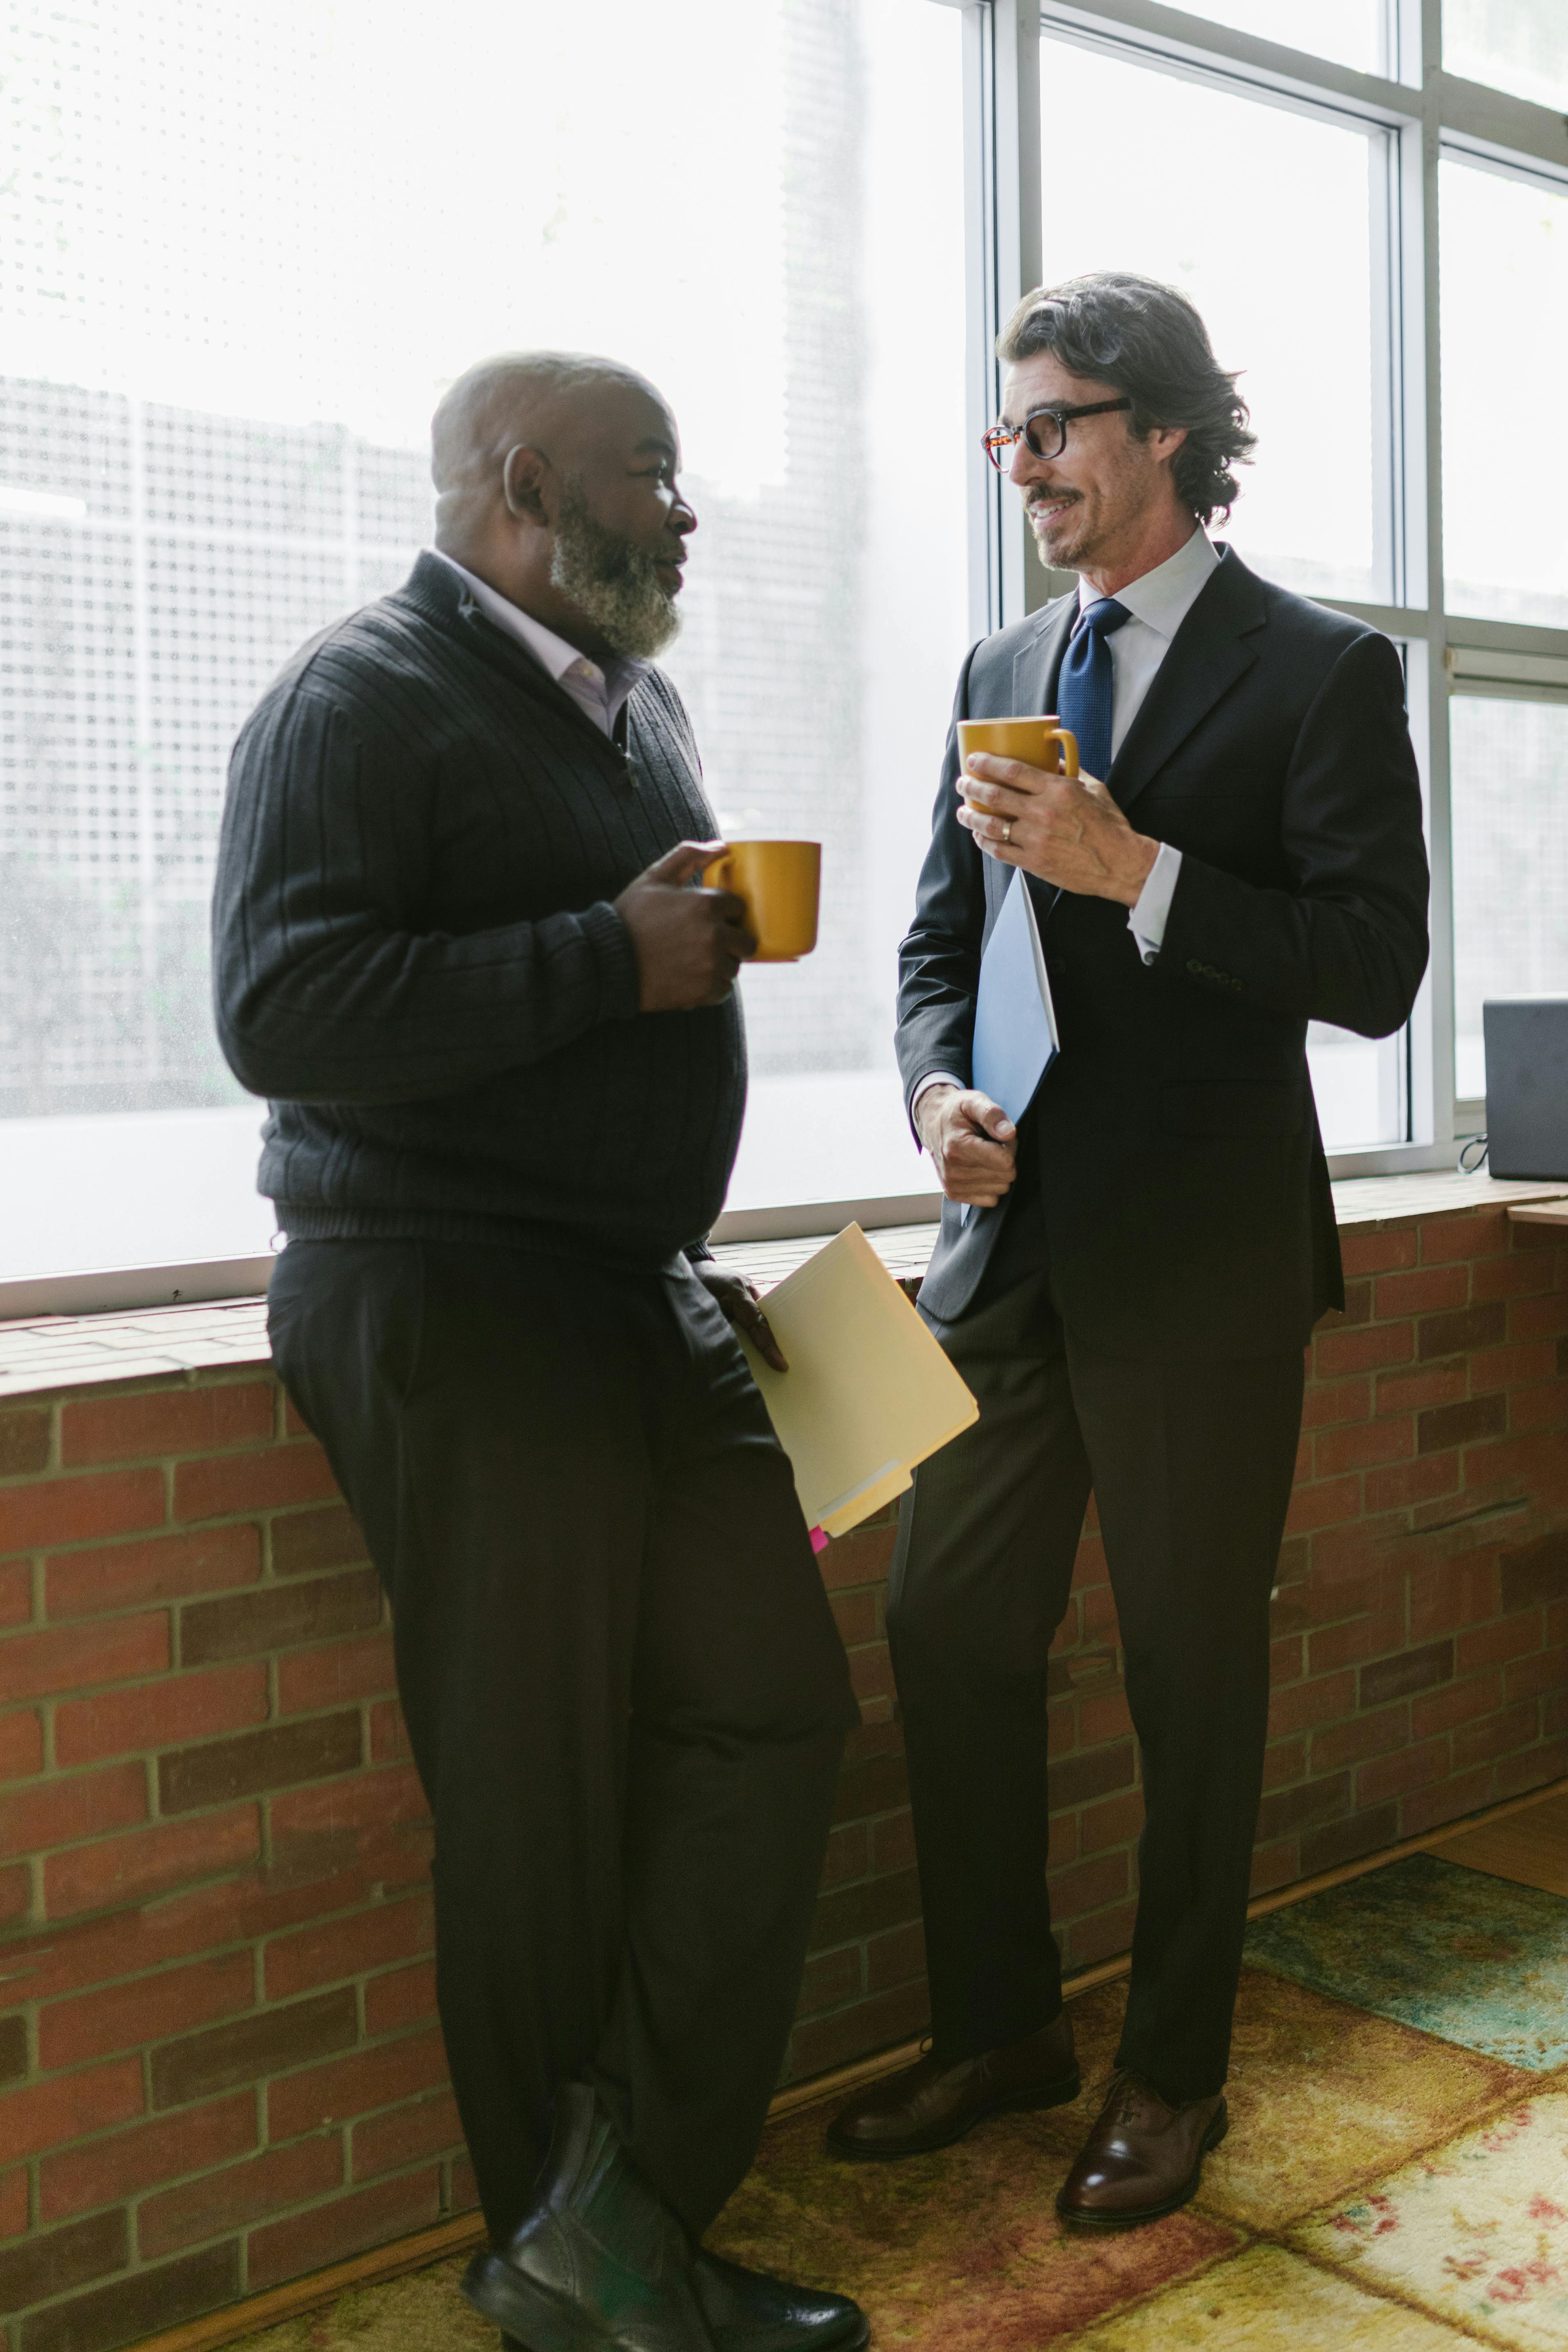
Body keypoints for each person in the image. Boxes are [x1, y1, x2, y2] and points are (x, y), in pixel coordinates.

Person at [213, 351, 867, 2352]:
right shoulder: (357, 695)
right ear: (521, 483)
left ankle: (620, 2216)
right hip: (450, 1296)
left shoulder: (634, 701)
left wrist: (669, 1078)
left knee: (778, 1708)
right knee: (537, 1797)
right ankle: (582, 2243)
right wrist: (607, 953)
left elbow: (623, 976)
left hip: (629, 1294)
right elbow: (282, 1005)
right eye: (654, 476)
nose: (686, 513)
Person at [827, 273, 1429, 2227]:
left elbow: (1372, 966)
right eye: (1007, 434)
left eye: (1056, 426)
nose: (1025, 466)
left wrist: (1141, 870)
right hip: (999, 1252)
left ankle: (1174, 2073)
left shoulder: (1320, 671)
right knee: (943, 1624)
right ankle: (1003, 2024)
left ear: (1163, 428)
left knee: (1191, 1679)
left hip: (1203, 1267)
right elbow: (934, 946)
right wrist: (934, 1099)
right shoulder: (1005, 649)